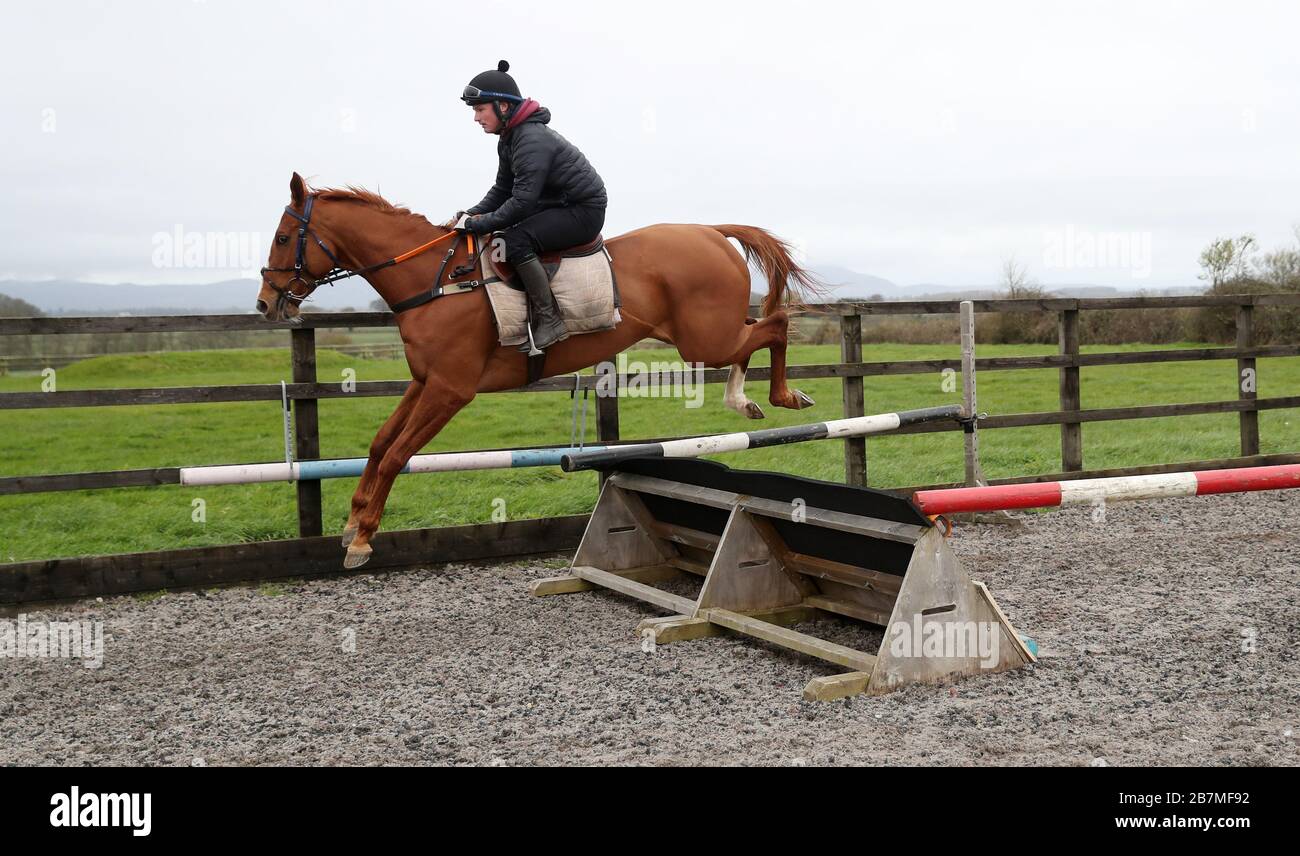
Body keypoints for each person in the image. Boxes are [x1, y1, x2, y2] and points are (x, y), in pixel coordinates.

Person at [452, 60, 608, 351]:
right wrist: (471, 213)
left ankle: (550, 320)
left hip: (583, 211)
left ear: (503, 107)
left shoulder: (530, 139)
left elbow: (522, 202)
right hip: (557, 205)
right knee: (502, 232)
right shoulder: (510, 138)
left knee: (513, 241)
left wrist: (478, 224)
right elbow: (502, 189)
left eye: (480, 109)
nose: (476, 117)